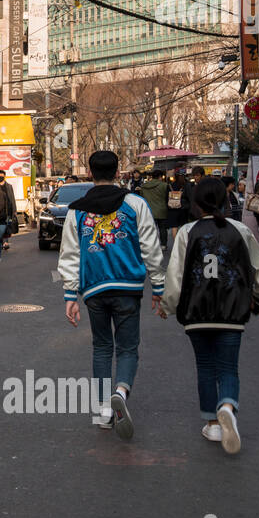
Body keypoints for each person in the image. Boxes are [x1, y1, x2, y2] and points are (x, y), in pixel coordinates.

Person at [160, 176, 259, 454]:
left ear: (197, 203)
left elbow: (175, 276)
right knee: (228, 367)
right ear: (224, 200)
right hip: (231, 311)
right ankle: (227, 405)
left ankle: (212, 424)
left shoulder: (187, 232)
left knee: (205, 367)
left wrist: (167, 305)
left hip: (196, 312)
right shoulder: (240, 230)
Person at [58, 150, 165, 440]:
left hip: (94, 290)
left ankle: (104, 409)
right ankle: (121, 391)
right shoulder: (135, 204)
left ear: (90, 173)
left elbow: (70, 254)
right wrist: (158, 286)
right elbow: (151, 247)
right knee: (128, 348)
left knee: (102, 347)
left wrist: (71, 295)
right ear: (118, 173)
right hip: (128, 289)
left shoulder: (77, 210)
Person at [139, 170, 169, 249]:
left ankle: (151, 244)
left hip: (149, 210)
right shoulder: (164, 185)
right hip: (162, 210)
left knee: (151, 229)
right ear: (160, 177)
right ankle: (163, 244)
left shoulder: (144, 186)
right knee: (162, 228)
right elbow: (167, 197)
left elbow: (141, 198)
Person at [166, 170, 190, 248]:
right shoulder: (186, 185)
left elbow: (166, 197)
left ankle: (176, 244)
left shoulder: (170, 185)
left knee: (174, 227)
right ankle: (184, 243)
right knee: (184, 227)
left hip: (172, 208)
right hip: (183, 209)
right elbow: (189, 197)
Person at [0, 169, 18, 251]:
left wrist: (14, 210)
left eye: (1, 176)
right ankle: (0, 242)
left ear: (4, 176)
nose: (0, 178)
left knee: (6, 226)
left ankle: (5, 242)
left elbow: (12, 199)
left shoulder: (9, 186)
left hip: (7, 211)